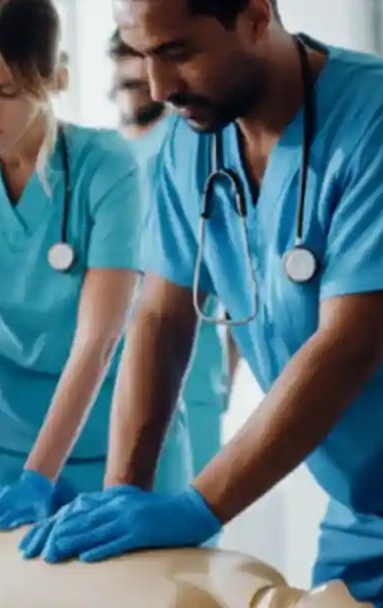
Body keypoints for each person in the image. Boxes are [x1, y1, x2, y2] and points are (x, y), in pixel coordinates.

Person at [20, 0, 383, 608]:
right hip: (367, 504)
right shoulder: (189, 146)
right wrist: (123, 501)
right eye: (142, 55)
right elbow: (162, 323)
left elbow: (348, 346)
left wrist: (199, 506)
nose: (160, 87)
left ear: (256, 18)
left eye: (178, 51)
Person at [0, 0, 192, 536]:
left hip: (117, 445)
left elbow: (99, 337)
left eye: (7, 91)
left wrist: (42, 477)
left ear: (54, 81)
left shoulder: (105, 165)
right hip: (4, 452)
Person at [107, 29, 238, 474]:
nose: (137, 89)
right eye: (125, 80)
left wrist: (229, 372)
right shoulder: (108, 155)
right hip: (113, 365)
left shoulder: (189, 140)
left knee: (189, 511)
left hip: (192, 364)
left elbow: (235, 267)